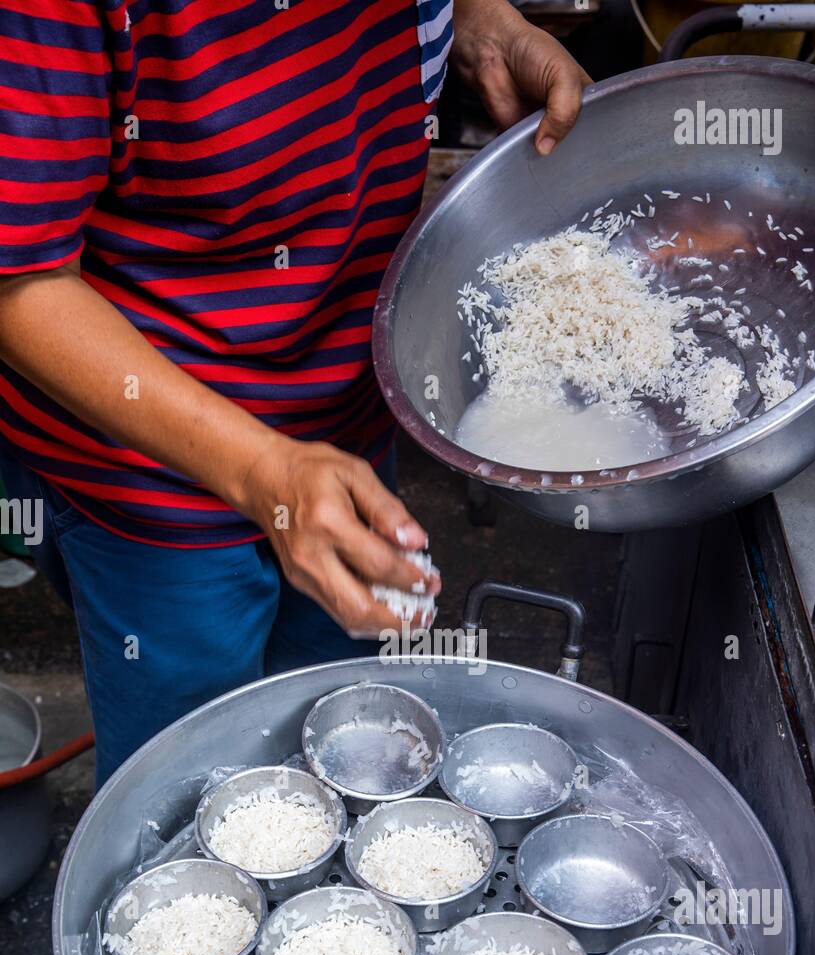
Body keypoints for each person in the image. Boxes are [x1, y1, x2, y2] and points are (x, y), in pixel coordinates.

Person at [0, 0, 588, 785]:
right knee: (188, 795)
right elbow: (22, 284)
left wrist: (479, 20)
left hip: (346, 402)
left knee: (348, 740)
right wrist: (261, 474)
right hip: (155, 471)